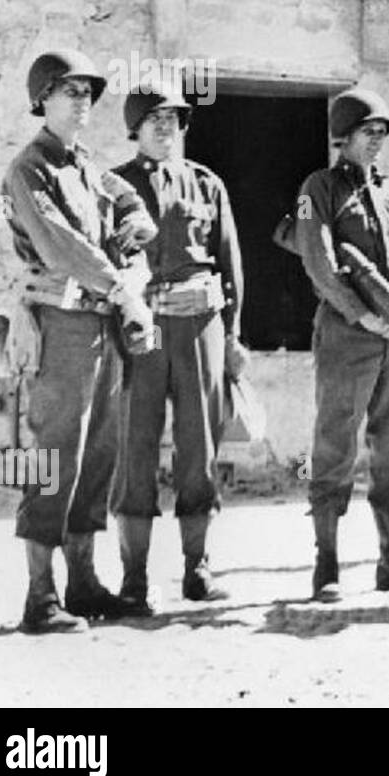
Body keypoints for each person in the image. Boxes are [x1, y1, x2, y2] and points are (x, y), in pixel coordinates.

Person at [0, 49, 157, 633]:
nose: (81, 101)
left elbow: (128, 201)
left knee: (99, 455)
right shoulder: (30, 168)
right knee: (54, 456)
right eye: (69, 91)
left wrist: (135, 226)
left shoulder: (87, 166)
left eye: (88, 92)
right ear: (42, 98)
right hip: (62, 324)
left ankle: (84, 584)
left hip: (101, 323)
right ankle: (40, 597)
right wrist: (123, 287)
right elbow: (59, 243)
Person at [295, 87, 389, 601]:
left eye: (382, 132)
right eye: (367, 132)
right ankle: (327, 564)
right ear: (344, 136)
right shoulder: (320, 189)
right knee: (335, 445)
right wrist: (364, 316)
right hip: (347, 337)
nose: (376, 141)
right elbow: (321, 263)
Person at [110, 82, 246, 612]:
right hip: (141, 330)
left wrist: (234, 336)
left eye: (174, 119)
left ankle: (198, 567)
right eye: (155, 119)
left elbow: (230, 265)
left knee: (200, 446)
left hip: (200, 327)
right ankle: (134, 579)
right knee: (134, 444)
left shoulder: (206, 185)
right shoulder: (113, 186)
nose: (166, 127)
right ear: (135, 128)